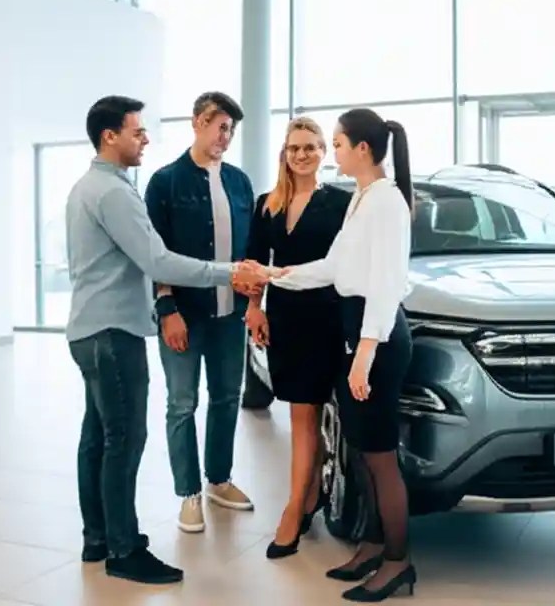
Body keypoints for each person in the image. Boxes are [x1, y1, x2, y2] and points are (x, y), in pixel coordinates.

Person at [65, 95, 271, 585]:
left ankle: (98, 539)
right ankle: (124, 549)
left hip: (92, 328)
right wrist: (228, 273)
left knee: (97, 437)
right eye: (136, 131)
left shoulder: (89, 186)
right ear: (109, 136)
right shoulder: (117, 192)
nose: (145, 139)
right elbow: (157, 261)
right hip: (113, 332)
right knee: (124, 440)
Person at [270, 108, 417, 602]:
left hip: (376, 337)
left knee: (379, 457)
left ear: (362, 149)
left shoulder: (387, 203)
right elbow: (336, 267)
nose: (329, 152)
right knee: (360, 450)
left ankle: (398, 562)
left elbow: (387, 283)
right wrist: (277, 275)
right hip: (356, 331)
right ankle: (374, 544)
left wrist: (364, 354)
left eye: (335, 143)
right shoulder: (363, 199)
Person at [143, 91, 257, 534]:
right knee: (182, 404)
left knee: (228, 397)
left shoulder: (240, 183)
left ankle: (218, 480)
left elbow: (247, 254)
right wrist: (166, 308)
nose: (224, 136)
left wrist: (253, 305)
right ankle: (188, 493)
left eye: (230, 129)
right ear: (197, 122)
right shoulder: (165, 183)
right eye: (218, 126)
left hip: (231, 317)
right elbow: (155, 254)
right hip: (183, 315)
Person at [244, 117, 352, 560]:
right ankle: (303, 502)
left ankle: (302, 503)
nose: (302, 155)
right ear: (284, 154)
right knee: (302, 414)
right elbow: (254, 261)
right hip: (285, 317)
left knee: (318, 412)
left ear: (323, 152)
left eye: (310, 147)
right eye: (294, 148)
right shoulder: (267, 203)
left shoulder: (341, 203)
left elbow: (348, 262)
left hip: (328, 315)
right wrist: (254, 308)